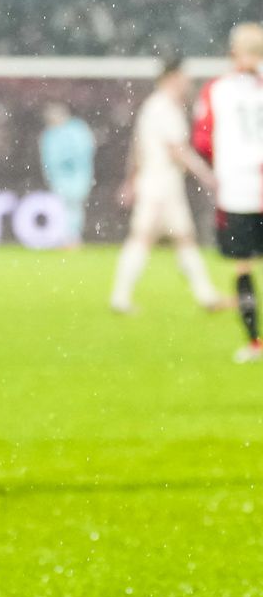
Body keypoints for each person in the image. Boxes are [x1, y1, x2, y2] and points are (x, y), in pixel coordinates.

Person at [109, 60, 225, 313]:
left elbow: (138, 147)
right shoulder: (164, 108)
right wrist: (206, 174)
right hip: (160, 185)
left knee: (182, 239)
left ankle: (206, 296)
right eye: (183, 77)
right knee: (144, 238)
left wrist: (131, 181)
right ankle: (120, 297)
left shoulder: (154, 107)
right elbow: (177, 149)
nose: (187, 82)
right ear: (171, 78)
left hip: (158, 182)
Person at [192, 23, 263, 362]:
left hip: (237, 190)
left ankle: (254, 342)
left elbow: (203, 139)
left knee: (243, 266)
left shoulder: (216, 90)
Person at [39, 103, 96, 246]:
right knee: (65, 207)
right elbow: (48, 159)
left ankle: (72, 237)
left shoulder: (76, 129)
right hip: (62, 178)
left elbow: (86, 149)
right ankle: (67, 237)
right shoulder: (50, 134)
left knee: (74, 206)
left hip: (78, 176)